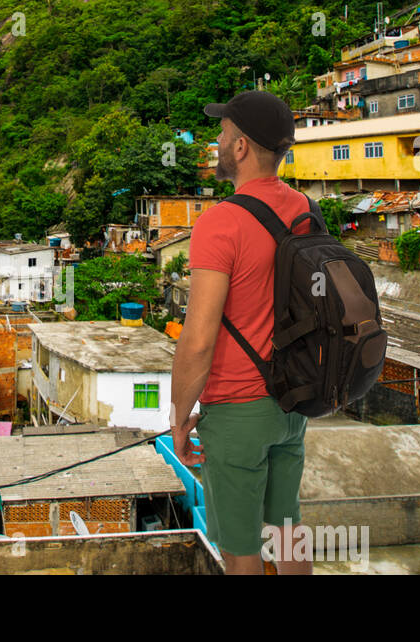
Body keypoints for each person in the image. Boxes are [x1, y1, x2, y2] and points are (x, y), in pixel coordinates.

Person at [169, 90, 313, 575]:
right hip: (293, 400)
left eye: (224, 132)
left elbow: (198, 340)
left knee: (240, 548)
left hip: (237, 407)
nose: (217, 139)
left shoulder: (220, 222)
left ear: (241, 147)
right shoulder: (304, 208)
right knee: (287, 531)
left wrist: (179, 417)